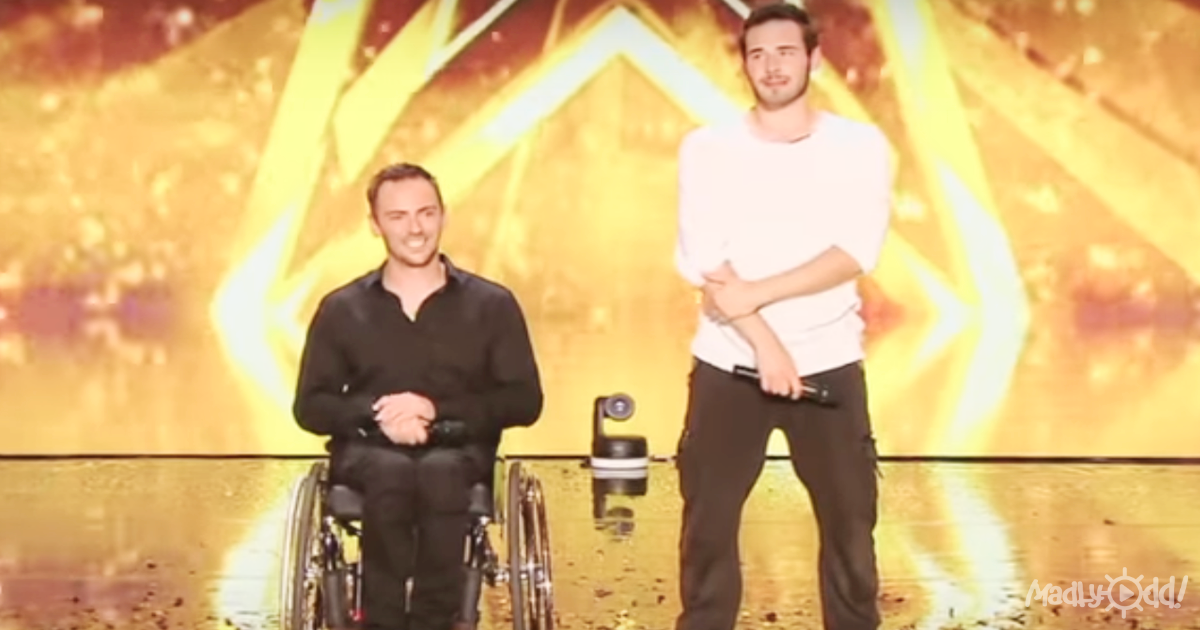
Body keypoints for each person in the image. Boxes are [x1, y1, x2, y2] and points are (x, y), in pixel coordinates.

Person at [672, 3, 894, 630]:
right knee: (708, 527)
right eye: (758, 54)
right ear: (743, 64)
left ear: (814, 59)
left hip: (831, 363)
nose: (771, 67)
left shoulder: (859, 146)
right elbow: (705, 262)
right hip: (727, 364)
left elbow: (857, 250)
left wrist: (761, 292)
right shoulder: (707, 148)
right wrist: (766, 346)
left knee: (851, 526)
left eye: (785, 52)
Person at [292, 162, 544, 630]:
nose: (415, 228)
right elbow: (311, 405)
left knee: (440, 472)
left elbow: (524, 400)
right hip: (370, 450)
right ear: (375, 224)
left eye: (426, 213)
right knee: (390, 472)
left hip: (458, 447)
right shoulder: (342, 309)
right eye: (399, 216)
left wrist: (434, 410)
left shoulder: (492, 305)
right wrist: (377, 415)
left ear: (443, 216)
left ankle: (433, 621)